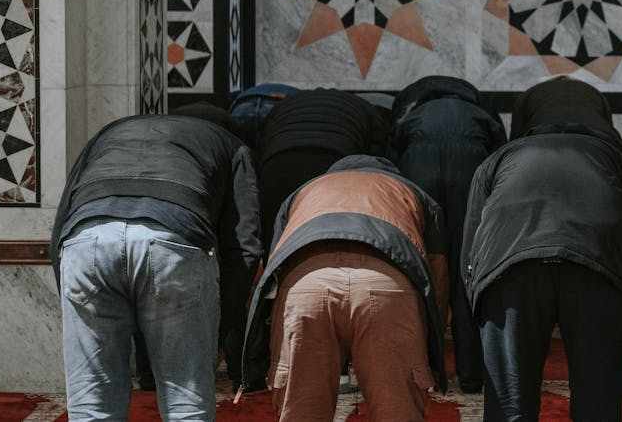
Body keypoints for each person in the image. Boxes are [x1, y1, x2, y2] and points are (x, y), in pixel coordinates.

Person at [50, 114, 262, 420]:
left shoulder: (109, 133)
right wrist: (217, 330)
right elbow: (244, 247)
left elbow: (59, 232)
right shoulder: (233, 147)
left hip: (86, 241)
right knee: (185, 404)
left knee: (92, 408)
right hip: (172, 241)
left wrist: (77, 305)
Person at [463, 113, 622, 421]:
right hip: (599, 267)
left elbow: (471, 241)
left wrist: (478, 305)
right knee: (598, 404)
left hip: (510, 268)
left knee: (510, 403)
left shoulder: (500, 158)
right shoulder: (613, 158)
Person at [242, 155, 448, 421]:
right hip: (387, 283)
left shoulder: (302, 193)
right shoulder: (413, 193)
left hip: (306, 283)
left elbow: (274, 266)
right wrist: (432, 340)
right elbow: (437, 275)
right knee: (397, 413)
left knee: (302, 412)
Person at [392, 75, 506, 393]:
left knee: (421, 266)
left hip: (419, 173)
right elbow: (501, 158)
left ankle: (425, 368)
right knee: (467, 266)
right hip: (471, 172)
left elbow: (392, 157)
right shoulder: (482, 114)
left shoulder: (412, 115)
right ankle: (471, 376)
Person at [257, 88, 388, 250]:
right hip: (335, 163)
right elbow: (376, 160)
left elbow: (263, 138)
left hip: (278, 162)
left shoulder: (285, 104)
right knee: (331, 236)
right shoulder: (366, 108)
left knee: (274, 238)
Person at [508, 75, 612, 139]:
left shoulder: (529, 94)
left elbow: (514, 140)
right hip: (596, 145)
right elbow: (610, 133)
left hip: (538, 143)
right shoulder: (595, 94)